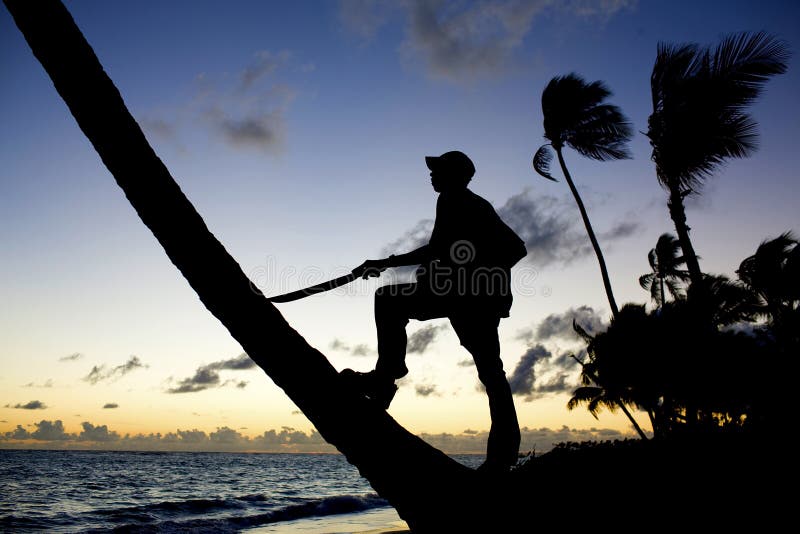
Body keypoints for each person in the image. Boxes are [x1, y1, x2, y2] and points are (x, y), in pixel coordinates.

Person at [343, 150, 527, 471]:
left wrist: (469, 273)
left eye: (438, 170)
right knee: (490, 372)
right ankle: (384, 382)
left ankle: (385, 382)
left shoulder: (463, 202)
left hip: (474, 298)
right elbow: (441, 250)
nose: (431, 175)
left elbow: (515, 248)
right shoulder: (455, 201)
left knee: (491, 372)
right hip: (462, 295)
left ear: (456, 175)